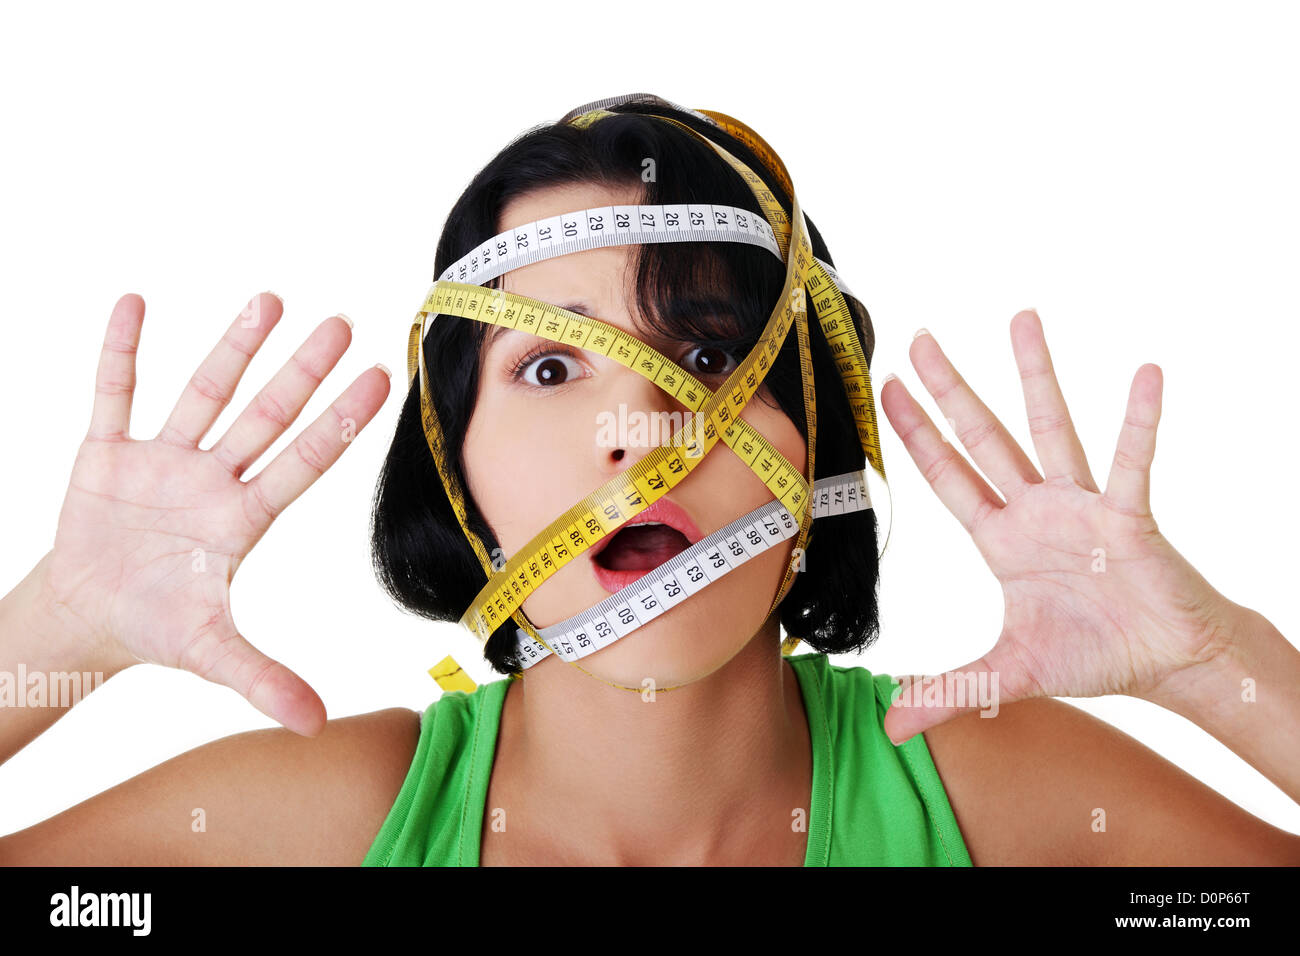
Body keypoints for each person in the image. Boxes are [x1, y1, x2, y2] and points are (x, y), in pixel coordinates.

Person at [1, 99, 1296, 866]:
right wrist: (52, 630)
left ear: (816, 453)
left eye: (713, 358)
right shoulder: (333, 823)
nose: (639, 429)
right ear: (458, 467)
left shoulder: (985, 797)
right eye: (552, 371)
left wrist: (1216, 668)